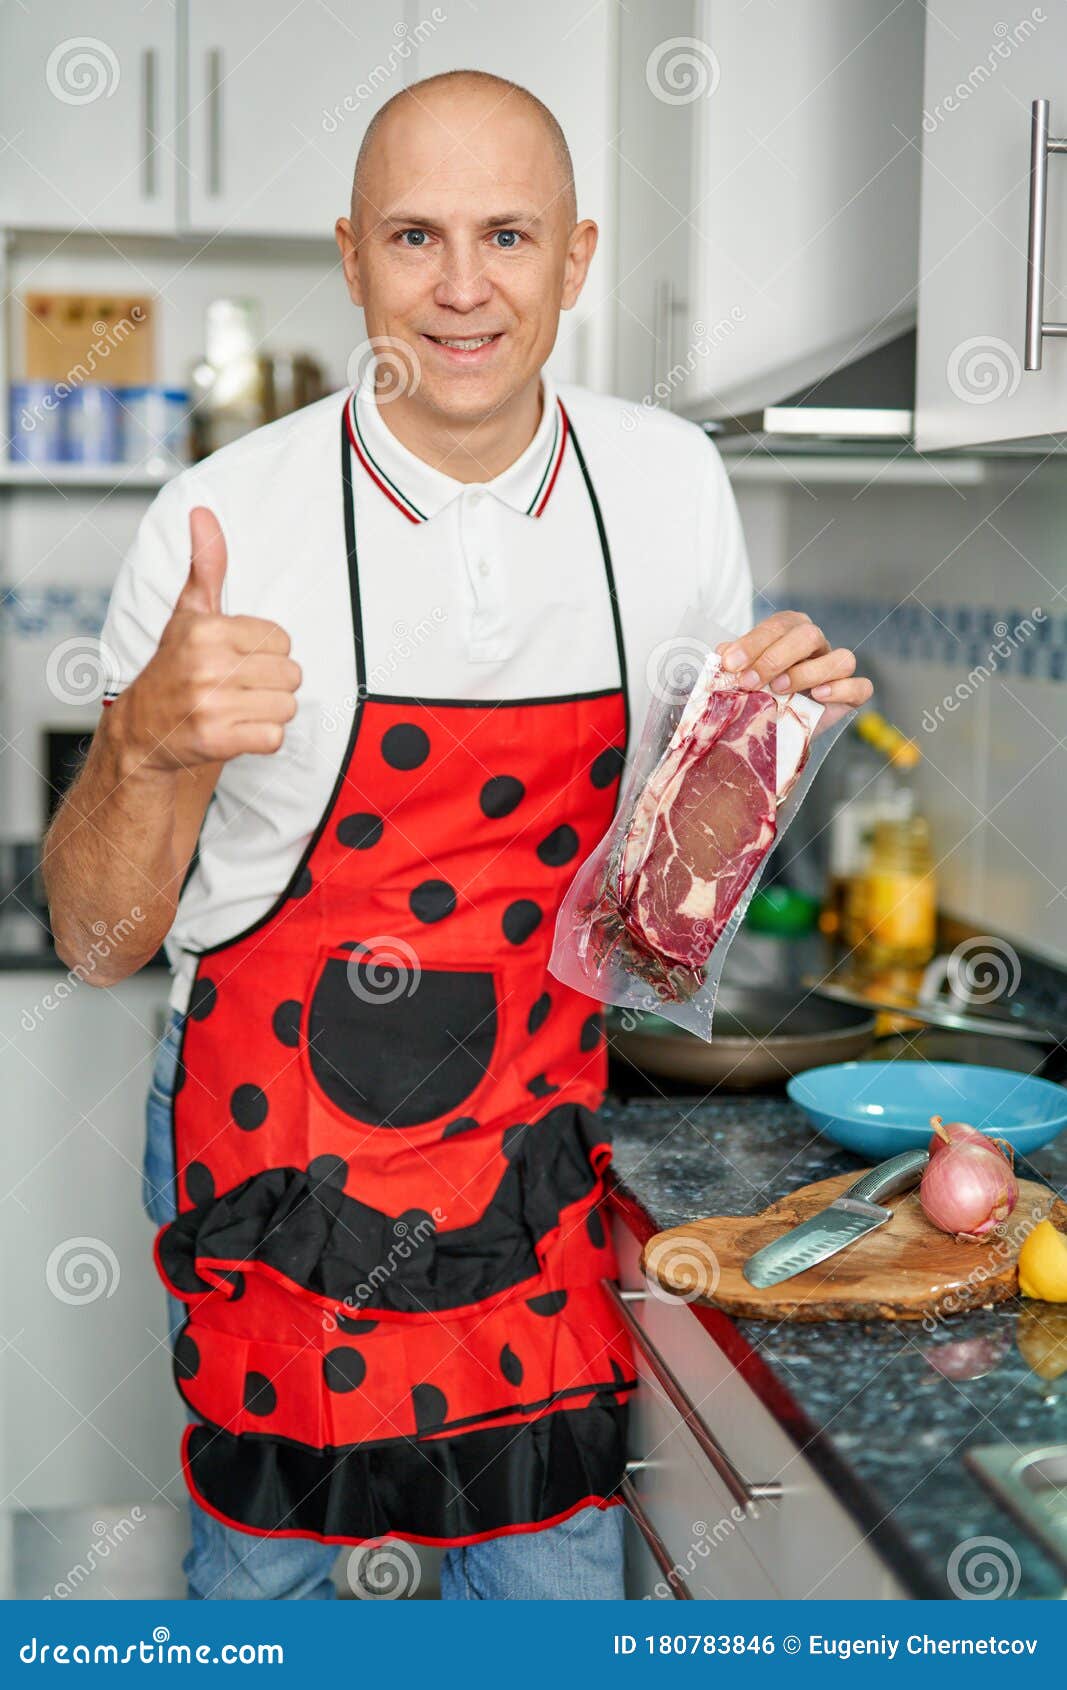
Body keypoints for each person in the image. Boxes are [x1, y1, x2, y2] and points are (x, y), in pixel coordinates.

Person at [42, 70, 872, 1602]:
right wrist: (142, 739)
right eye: (417, 237)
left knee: (547, 1575)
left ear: (579, 255)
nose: (464, 286)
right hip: (275, 1154)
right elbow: (98, 943)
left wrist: (753, 753)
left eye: (510, 233)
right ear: (351, 257)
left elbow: (658, 929)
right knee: (271, 1583)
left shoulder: (671, 488)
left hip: (526, 1156)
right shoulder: (225, 514)